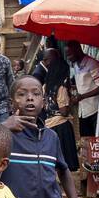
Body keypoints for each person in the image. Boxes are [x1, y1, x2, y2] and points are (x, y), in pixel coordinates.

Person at [32, 44, 79, 172]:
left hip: (49, 124)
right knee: (65, 164)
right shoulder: (61, 87)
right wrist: (70, 104)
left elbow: (42, 105)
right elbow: (63, 112)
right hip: (61, 126)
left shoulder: (45, 86)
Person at [65, 40, 99, 138]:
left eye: (70, 55)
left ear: (78, 50)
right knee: (85, 142)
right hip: (83, 111)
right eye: (67, 55)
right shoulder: (75, 65)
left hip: (97, 110)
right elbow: (82, 84)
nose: (69, 58)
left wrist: (82, 97)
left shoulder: (92, 64)